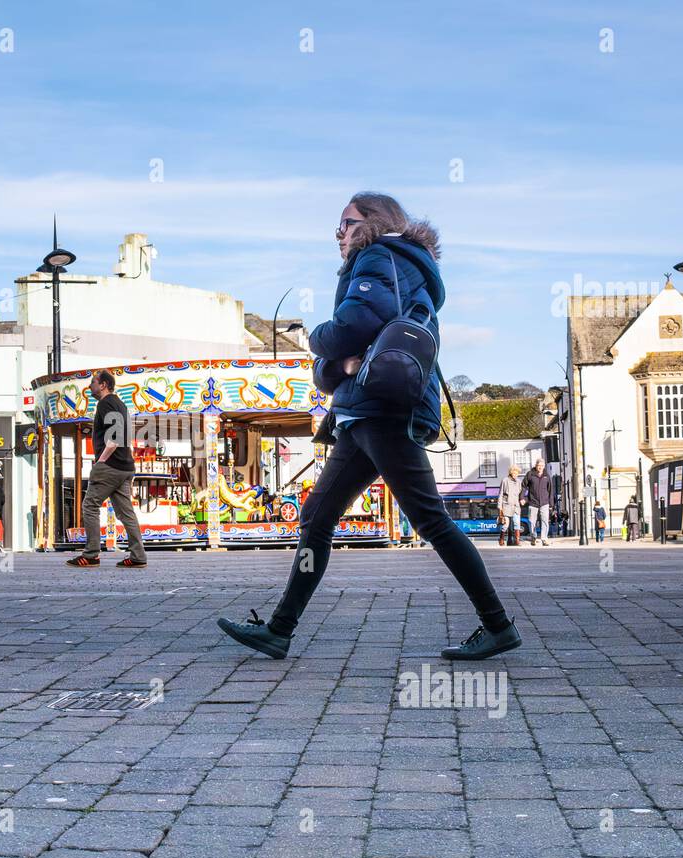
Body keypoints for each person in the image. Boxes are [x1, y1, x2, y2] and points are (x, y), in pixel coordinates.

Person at [216, 191, 520, 661]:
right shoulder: (407, 264)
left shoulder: (377, 255)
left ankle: (498, 625)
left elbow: (349, 326)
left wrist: (317, 339)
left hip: (382, 410)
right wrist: (338, 367)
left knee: (430, 520)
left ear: (373, 224)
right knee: (317, 517)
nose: (339, 234)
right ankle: (278, 629)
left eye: (346, 223)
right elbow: (343, 358)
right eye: (337, 226)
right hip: (366, 412)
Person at [66, 369, 148, 568]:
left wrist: (100, 462)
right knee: (126, 512)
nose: (89, 386)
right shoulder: (120, 404)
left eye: (93, 382)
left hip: (110, 466)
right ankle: (138, 556)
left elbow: (115, 437)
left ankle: (91, 554)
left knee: (90, 505)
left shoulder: (105, 403)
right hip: (125, 465)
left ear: (103, 385)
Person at [521, 459, 553, 546]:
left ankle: (544, 539)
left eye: (542, 466)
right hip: (533, 502)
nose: (540, 467)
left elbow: (550, 490)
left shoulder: (547, 476)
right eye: (539, 465)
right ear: (536, 465)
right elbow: (524, 486)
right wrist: (522, 497)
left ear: (544, 466)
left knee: (545, 521)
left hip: (544, 503)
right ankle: (533, 537)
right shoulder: (530, 474)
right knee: (532, 521)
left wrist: (551, 504)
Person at [498, 465, 523, 547]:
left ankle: (517, 540)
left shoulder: (519, 481)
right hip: (506, 506)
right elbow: (501, 494)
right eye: (514, 472)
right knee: (506, 524)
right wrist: (500, 506)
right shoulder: (505, 480)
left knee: (517, 523)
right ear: (511, 472)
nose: (516, 474)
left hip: (516, 506)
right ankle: (501, 539)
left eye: (517, 473)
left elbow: (520, 493)